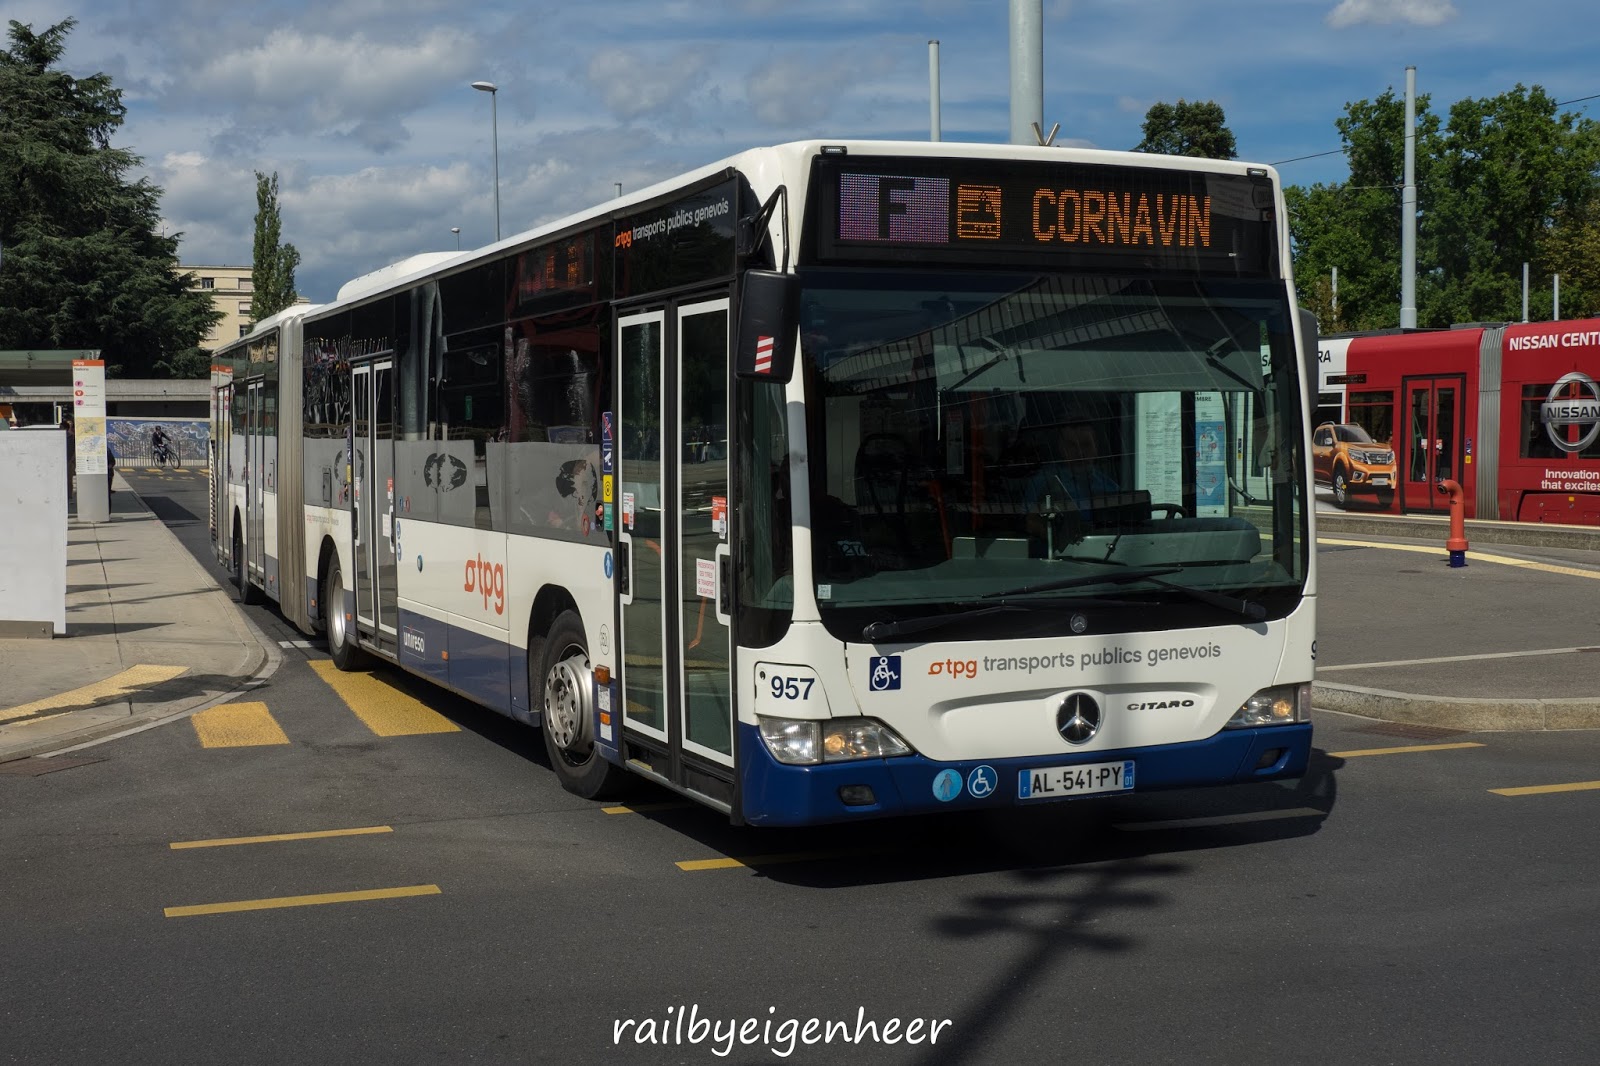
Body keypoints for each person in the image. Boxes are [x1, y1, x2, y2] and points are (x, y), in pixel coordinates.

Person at [1023, 422, 1117, 551]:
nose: (1079, 452)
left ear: (1096, 447)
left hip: (1104, 555)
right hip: (1054, 557)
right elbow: (1028, 522)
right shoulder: (1043, 482)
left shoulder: (1110, 487)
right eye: (1071, 445)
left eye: (1086, 445)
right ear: (1061, 448)